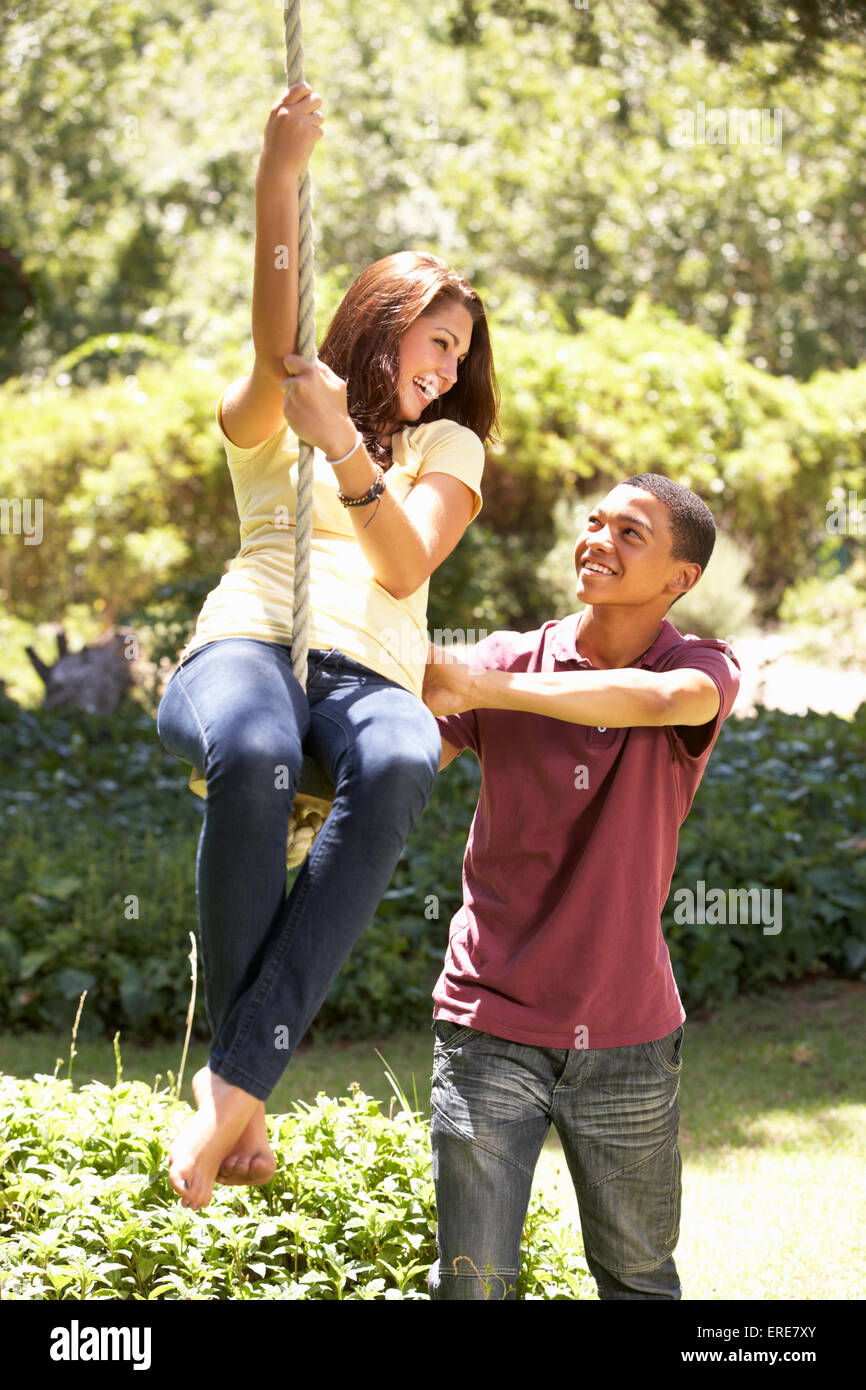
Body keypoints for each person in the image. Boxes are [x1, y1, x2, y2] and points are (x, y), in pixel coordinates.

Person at [156, 83, 499, 1211]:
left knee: (405, 760)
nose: (446, 366)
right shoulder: (278, 393)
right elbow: (273, 310)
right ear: (381, 315)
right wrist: (278, 172)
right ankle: (242, 1084)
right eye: (433, 337)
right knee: (251, 757)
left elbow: (404, 565)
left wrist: (351, 450)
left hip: (373, 675)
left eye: (460, 352)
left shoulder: (445, 443)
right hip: (247, 646)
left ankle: (227, 1089)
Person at [421, 473, 741, 1300]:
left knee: (638, 1279)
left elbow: (660, 701)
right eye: (595, 523)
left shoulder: (698, 666)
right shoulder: (509, 656)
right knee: (473, 1284)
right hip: (490, 1016)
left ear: (681, 578)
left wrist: (481, 688)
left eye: (630, 533)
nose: (597, 539)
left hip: (629, 1033)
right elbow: (409, 760)